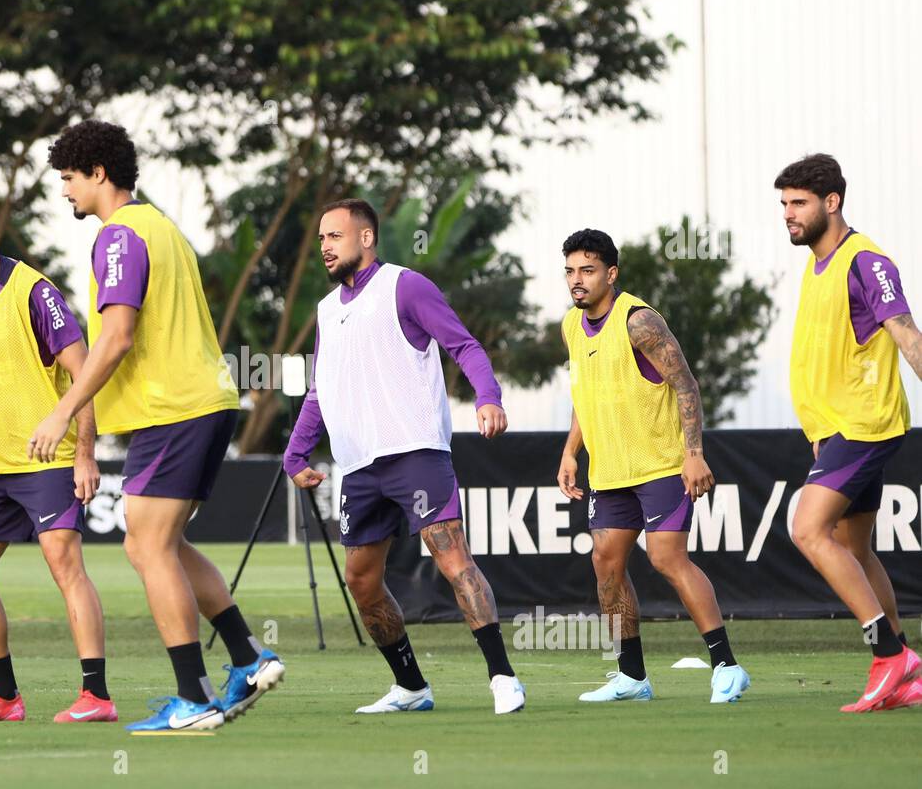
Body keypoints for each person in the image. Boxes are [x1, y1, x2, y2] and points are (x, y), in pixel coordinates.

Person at [40, 119, 283, 732]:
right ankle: (248, 656)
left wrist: (64, 409)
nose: (65, 191)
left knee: (147, 545)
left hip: (171, 410)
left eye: (69, 178)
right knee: (158, 544)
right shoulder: (162, 227)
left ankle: (195, 699)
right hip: (201, 404)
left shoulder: (119, 235)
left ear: (98, 173)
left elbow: (117, 336)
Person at [284, 197, 527, 716]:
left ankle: (503, 677)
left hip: (414, 450)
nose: (325, 246)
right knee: (362, 581)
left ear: (366, 238)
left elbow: (464, 346)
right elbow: (319, 391)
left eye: (335, 236)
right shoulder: (328, 310)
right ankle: (411, 686)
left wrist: (488, 397)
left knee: (452, 558)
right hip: (358, 466)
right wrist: (295, 451)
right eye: (321, 237)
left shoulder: (405, 285)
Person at [0, 183, 117, 723]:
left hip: (45, 461)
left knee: (64, 563)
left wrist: (85, 454)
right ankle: (2, 697)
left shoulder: (34, 291)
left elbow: (84, 376)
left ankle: (96, 696)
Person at [557, 228, 749, 703]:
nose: (576, 280)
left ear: (611, 273)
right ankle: (632, 677)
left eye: (587, 270)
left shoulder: (639, 321)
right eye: (569, 271)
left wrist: (694, 454)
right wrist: (569, 451)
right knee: (606, 566)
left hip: (661, 465)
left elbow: (686, 385)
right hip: (609, 471)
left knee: (666, 558)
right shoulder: (570, 326)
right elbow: (586, 393)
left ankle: (726, 666)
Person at [777, 153, 922, 711]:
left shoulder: (866, 259)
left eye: (799, 203)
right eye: (784, 204)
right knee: (855, 548)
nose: (788, 214)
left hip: (864, 424)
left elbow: (905, 333)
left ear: (831, 202)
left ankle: (888, 655)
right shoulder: (817, 264)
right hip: (836, 429)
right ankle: (907, 670)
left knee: (808, 530)